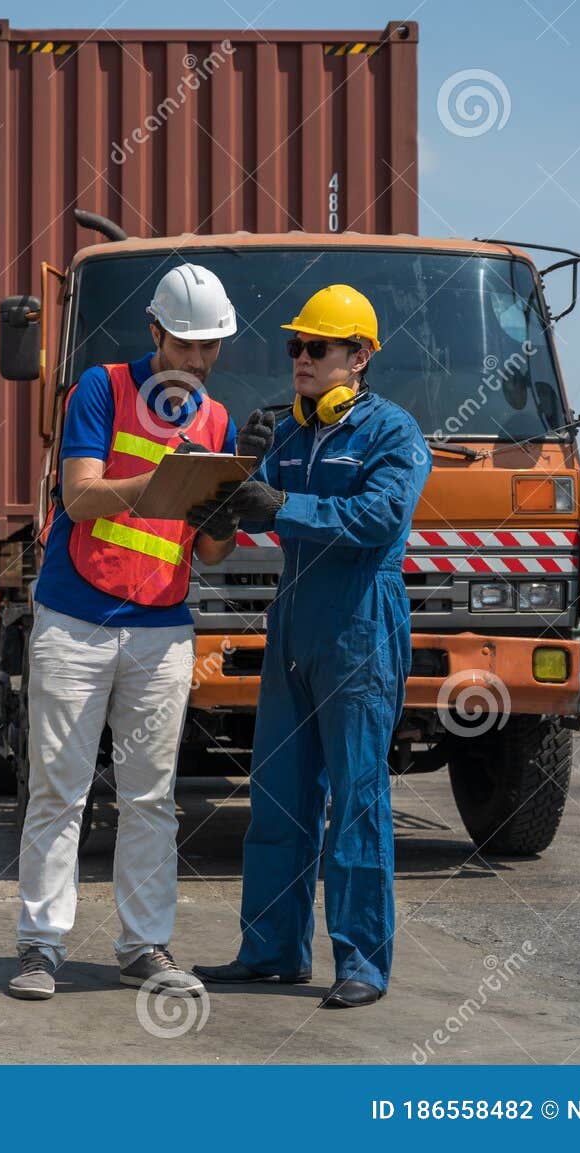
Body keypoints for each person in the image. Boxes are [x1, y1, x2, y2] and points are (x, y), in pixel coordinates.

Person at [8, 263, 274, 1001]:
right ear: (155, 332)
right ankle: (39, 945)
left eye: (210, 346)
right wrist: (167, 473)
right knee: (59, 790)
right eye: (185, 343)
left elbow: (210, 551)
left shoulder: (217, 420)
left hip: (162, 627)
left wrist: (227, 504)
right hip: (76, 619)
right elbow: (81, 495)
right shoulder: (101, 388)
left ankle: (144, 945)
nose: (197, 359)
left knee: (151, 797)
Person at [191, 284, 430, 1008]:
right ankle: (271, 951)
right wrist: (233, 472)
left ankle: (360, 961)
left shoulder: (394, 432)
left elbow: (381, 516)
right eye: (295, 345)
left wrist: (283, 505)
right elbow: (239, 513)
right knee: (278, 796)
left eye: (315, 346)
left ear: (358, 357)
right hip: (293, 619)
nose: (299, 357)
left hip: (359, 621)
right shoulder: (289, 434)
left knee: (356, 800)